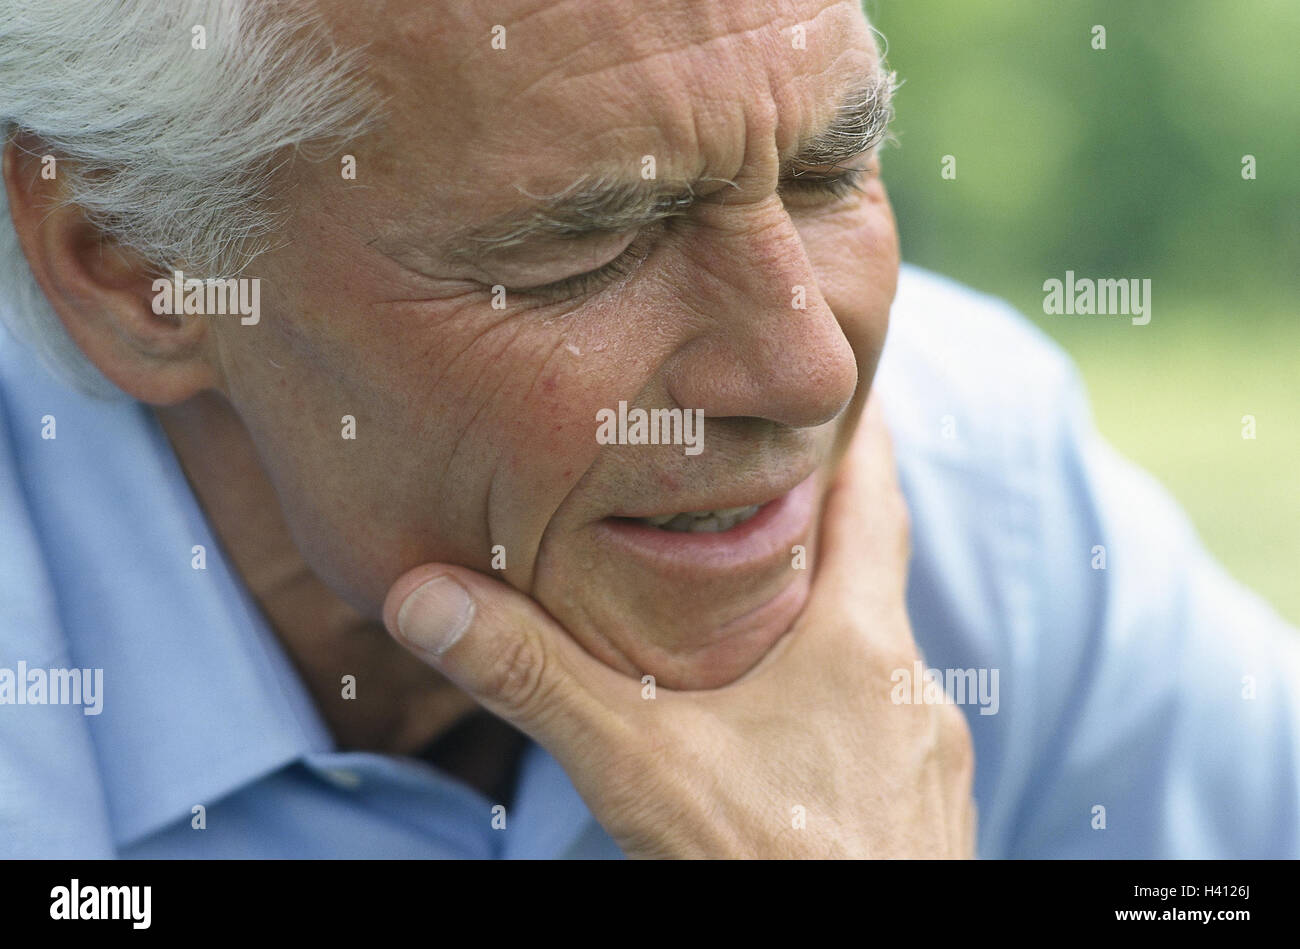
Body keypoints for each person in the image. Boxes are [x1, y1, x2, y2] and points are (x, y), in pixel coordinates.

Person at [1, 0, 1296, 858]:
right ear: (133, 265)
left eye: (829, 172)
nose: (807, 371)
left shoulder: (986, 481)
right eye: (589, 247)